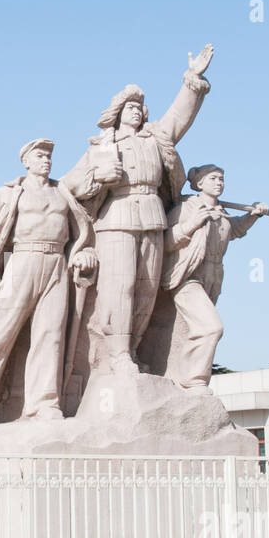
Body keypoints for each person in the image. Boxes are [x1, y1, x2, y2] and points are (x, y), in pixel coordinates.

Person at [61, 45, 214, 373]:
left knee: (146, 286)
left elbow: (179, 116)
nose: (136, 110)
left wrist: (192, 79)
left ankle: (131, 350)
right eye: (129, 106)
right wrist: (98, 176)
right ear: (117, 112)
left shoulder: (156, 138)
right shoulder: (103, 146)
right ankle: (116, 353)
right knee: (121, 285)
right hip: (116, 219)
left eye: (139, 106)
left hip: (152, 217)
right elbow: (69, 186)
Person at [0, 139, 97, 425]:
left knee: (50, 334)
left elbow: (82, 230)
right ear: (26, 161)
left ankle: (44, 404)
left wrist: (84, 251)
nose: (46, 161)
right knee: (0, 330)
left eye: (49, 156)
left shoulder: (61, 192)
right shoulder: (11, 193)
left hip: (56, 263)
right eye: (40, 156)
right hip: (23, 259)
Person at [160, 165, 269, 393]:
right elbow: (166, 241)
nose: (219, 182)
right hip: (188, 276)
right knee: (211, 327)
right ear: (199, 183)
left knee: (189, 331)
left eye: (222, 179)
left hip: (214, 274)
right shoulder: (187, 207)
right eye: (213, 178)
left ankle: (177, 379)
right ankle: (195, 380)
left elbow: (235, 231)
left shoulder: (221, 213)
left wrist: (253, 217)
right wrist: (192, 223)